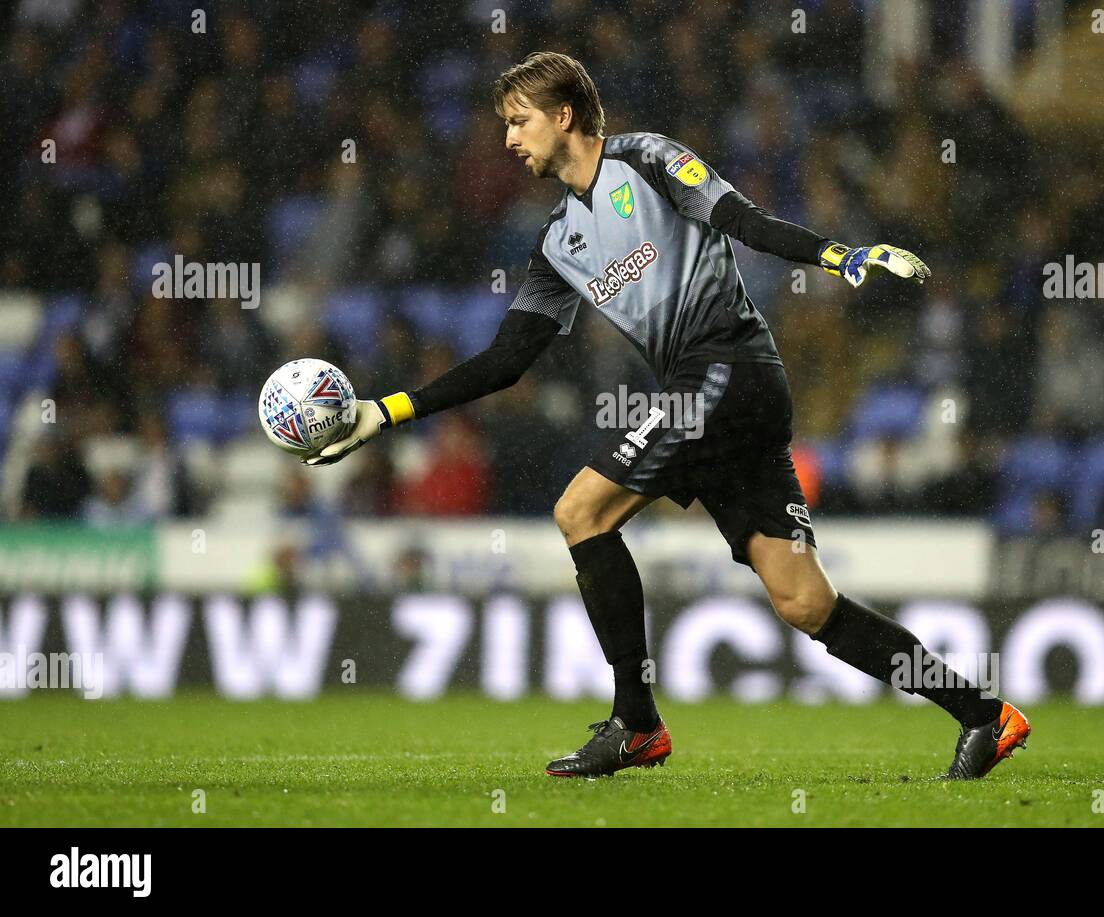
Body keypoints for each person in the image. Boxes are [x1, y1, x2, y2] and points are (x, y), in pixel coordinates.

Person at [309, 52, 1028, 780]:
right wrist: (386, 410)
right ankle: (984, 714)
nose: (508, 140)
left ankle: (636, 722)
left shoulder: (648, 161)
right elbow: (507, 360)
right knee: (806, 600)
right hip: (711, 397)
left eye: (518, 121)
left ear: (564, 116)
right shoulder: (558, 242)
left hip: (731, 369)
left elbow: (739, 218)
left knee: (581, 510)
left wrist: (836, 253)